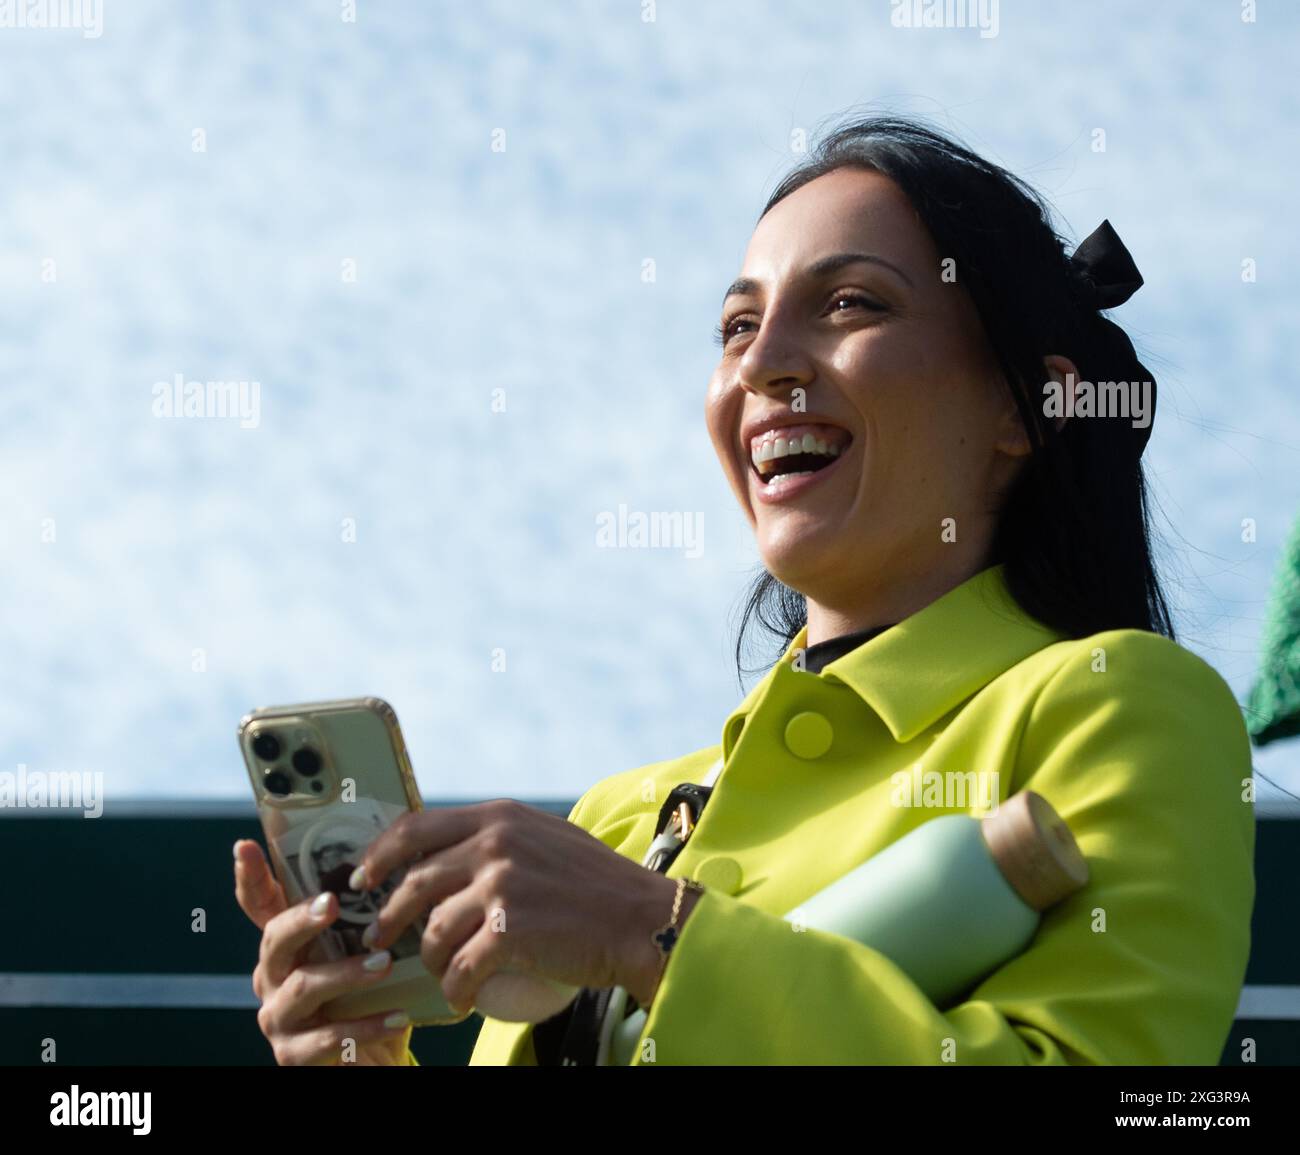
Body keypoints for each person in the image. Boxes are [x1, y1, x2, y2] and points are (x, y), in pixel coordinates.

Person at [233, 113, 1254, 1066]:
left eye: (851, 302)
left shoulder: (1119, 705)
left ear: (1025, 408)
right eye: (735, 327)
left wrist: (653, 934)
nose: (762, 364)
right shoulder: (614, 825)